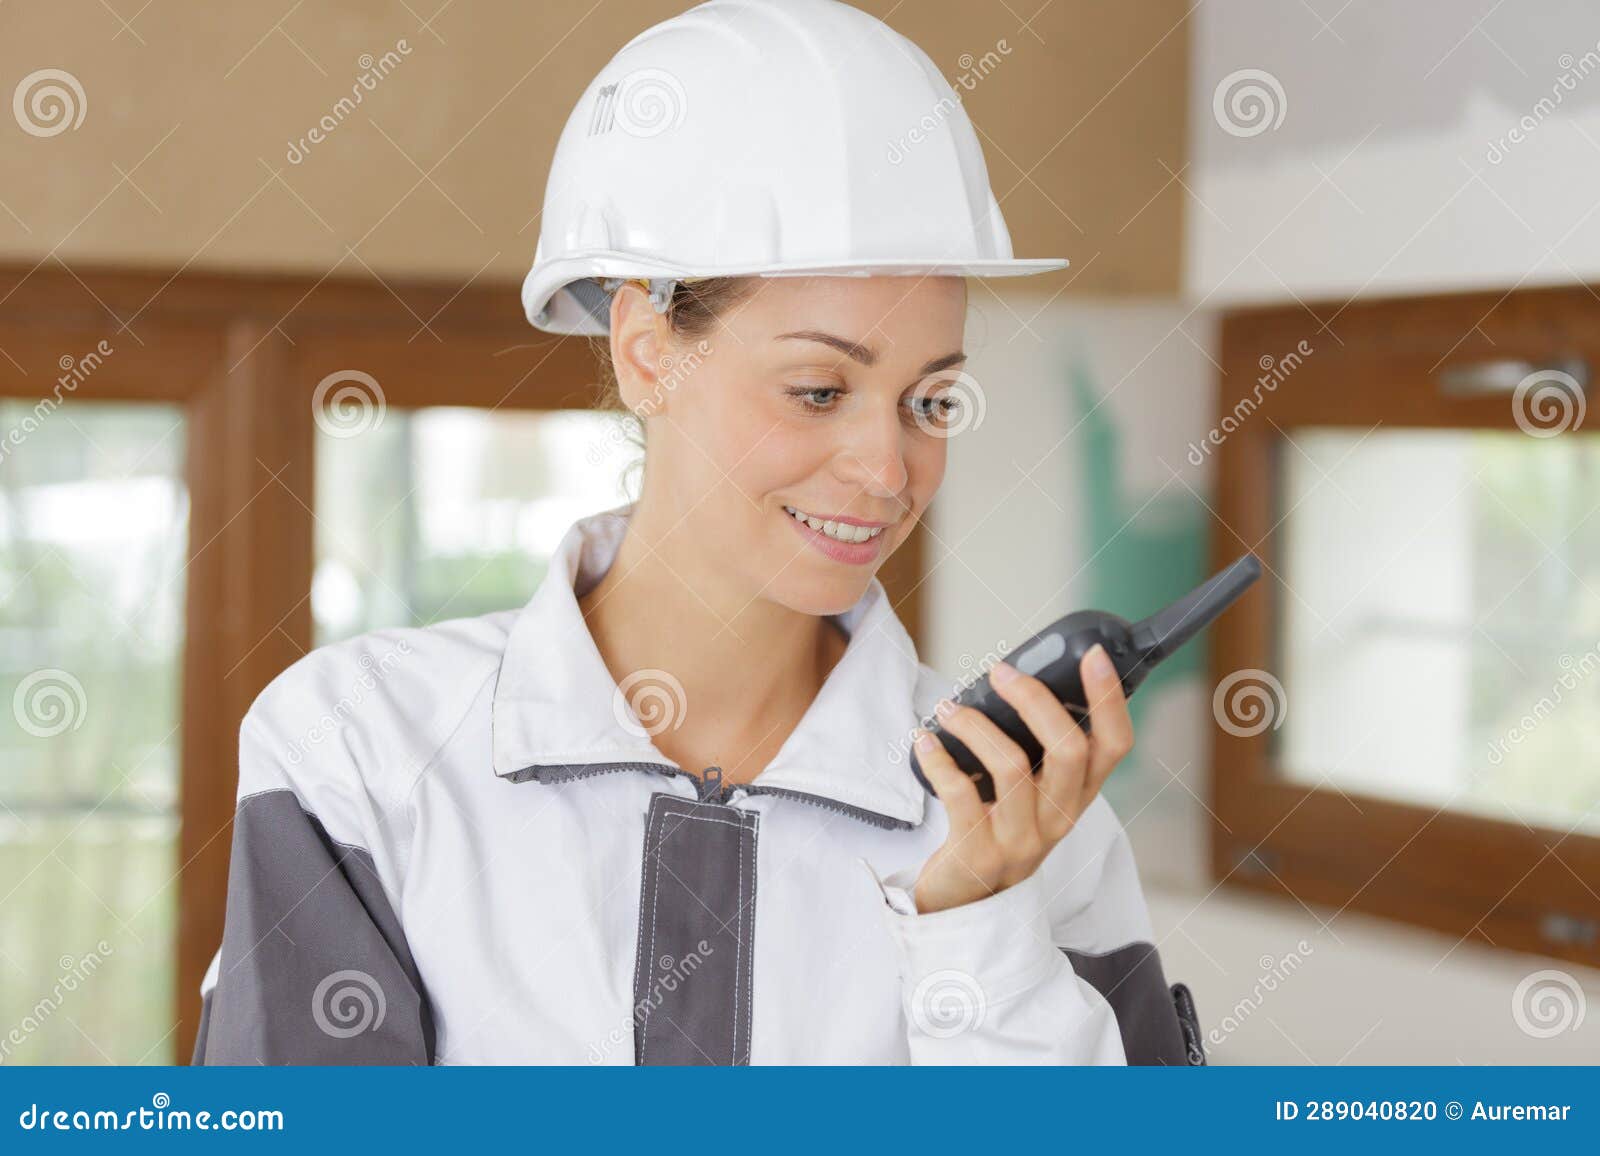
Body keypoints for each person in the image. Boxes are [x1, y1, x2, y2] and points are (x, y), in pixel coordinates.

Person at [192, 0, 1202, 1065]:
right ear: (645, 353)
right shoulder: (363, 751)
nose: (887, 469)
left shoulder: (1031, 820)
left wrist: (980, 934)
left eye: (930, 401)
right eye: (818, 390)